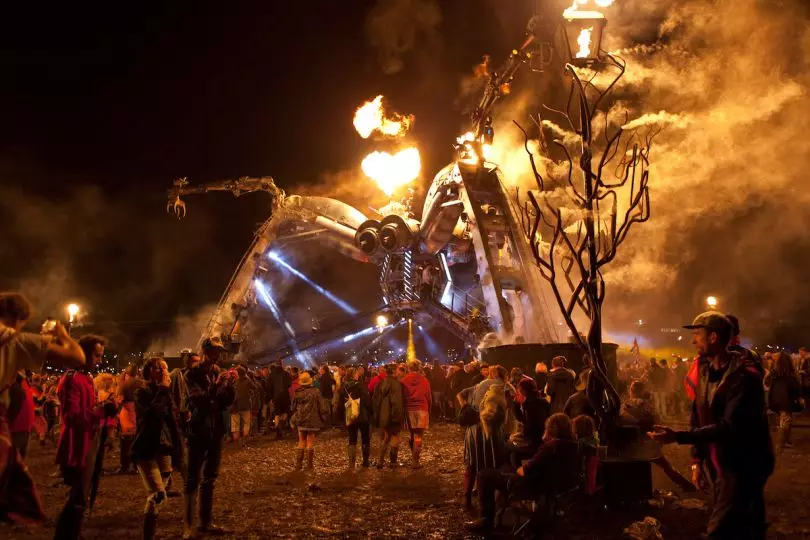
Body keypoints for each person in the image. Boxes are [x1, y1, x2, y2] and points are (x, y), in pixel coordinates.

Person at [649, 311, 774, 540]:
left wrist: (677, 436)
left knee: (720, 528)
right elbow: (699, 415)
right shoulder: (705, 372)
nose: (692, 340)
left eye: (697, 334)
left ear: (714, 337)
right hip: (719, 461)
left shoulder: (744, 378)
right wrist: (697, 461)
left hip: (742, 463)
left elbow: (729, 427)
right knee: (747, 523)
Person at [466, 413, 580, 532]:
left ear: (551, 429)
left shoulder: (551, 446)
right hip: (552, 486)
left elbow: (526, 470)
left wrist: (523, 468)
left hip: (532, 485)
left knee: (484, 475)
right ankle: (498, 514)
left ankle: (486, 520)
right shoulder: (573, 445)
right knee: (505, 470)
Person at [54, 334, 117, 540]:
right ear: (82, 354)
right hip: (78, 444)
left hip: (89, 440)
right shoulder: (72, 379)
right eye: (96, 356)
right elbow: (72, 418)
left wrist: (102, 408)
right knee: (78, 494)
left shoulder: (85, 378)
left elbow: (87, 410)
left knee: (83, 492)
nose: (99, 361)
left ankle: (73, 533)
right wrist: (100, 411)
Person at [182, 337, 236, 539]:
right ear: (205, 351)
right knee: (192, 477)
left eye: (219, 351)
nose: (217, 355)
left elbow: (224, 403)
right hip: (199, 430)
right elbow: (200, 401)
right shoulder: (192, 374)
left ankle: (205, 522)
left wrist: (230, 386)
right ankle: (188, 525)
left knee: (210, 477)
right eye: (214, 350)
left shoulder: (215, 371)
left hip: (215, 431)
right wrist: (217, 386)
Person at [132, 357, 182, 540]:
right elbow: (152, 416)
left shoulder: (165, 392)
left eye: (165, 368)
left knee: (166, 479)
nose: (163, 371)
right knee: (158, 495)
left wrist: (178, 447)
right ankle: (148, 536)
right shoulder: (141, 393)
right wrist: (162, 390)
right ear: (148, 371)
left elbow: (171, 420)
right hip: (146, 448)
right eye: (158, 368)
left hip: (164, 448)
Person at [457, 365, 511, 510]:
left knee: (472, 463)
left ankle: (467, 497)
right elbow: (508, 405)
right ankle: (489, 501)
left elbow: (461, 394)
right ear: (503, 376)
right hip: (490, 429)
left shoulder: (478, 385)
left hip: (473, 430)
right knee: (491, 463)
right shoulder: (501, 386)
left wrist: (467, 408)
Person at [764, 351, 801, 450]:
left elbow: (767, 383)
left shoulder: (775, 374)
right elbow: (796, 388)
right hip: (785, 400)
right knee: (785, 422)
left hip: (777, 400)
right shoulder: (789, 375)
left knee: (786, 420)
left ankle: (786, 441)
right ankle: (780, 444)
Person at [338, 366, 373, 468]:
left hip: (350, 415)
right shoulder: (360, 385)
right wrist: (372, 411)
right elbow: (367, 401)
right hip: (362, 415)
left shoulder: (343, 387)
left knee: (352, 438)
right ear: (354, 375)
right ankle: (365, 461)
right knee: (365, 438)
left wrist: (341, 417)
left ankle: (351, 463)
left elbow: (340, 404)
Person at [290, 371, 326, 469]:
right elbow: (322, 407)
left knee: (301, 441)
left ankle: (299, 464)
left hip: (300, 419)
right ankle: (310, 465)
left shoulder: (297, 392)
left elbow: (292, 407)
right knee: (310, 442)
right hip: (313, 420)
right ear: (310, 381)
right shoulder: (316, 391)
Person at [372, 364, 405, 468]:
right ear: (395, 371)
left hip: (383, 415)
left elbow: (376, 401)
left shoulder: (380, 383)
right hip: (393, 415)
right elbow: (397, 403)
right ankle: (393, 461)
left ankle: (380, 461)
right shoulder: (396, 384)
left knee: (385, 438)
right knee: (395, 438)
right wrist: (398, 417)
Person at [401, 359, 432, 468]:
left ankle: (413, 453)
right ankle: (415, 461)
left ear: (409, 368)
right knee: (418, 436)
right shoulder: (424, 380)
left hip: (409, 410)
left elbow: (402, 396)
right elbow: (428, 397)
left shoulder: (404, 380)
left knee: (412, 434)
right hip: (421, 409)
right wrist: (429, 409)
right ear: (419, 368)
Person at [118, 364, 143, 474]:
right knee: (138, 440)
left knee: (126, 441)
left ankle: (125, 465)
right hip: (138, 412)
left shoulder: (124, 384)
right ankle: (136, 465)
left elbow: (119, 400)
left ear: (127, 373)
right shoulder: (141, 383)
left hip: (127, 413)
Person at [230, 366, 256, 445]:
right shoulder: (247, 380)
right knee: (246, 423)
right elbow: (254, 387)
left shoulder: (232, 380)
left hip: (234, 406)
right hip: (245, 405)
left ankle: (236, 441)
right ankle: (243, 440)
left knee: (235, 424)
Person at [269, 363, 292, 439]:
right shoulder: (286, 374)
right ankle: (280, 427)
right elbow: (289, 384)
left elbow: (269, 387)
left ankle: (278, 431)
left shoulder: (272, 375)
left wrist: (271, 398)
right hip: (285, 396)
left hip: (276, 397)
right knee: (285, 412)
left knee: (277, 414)